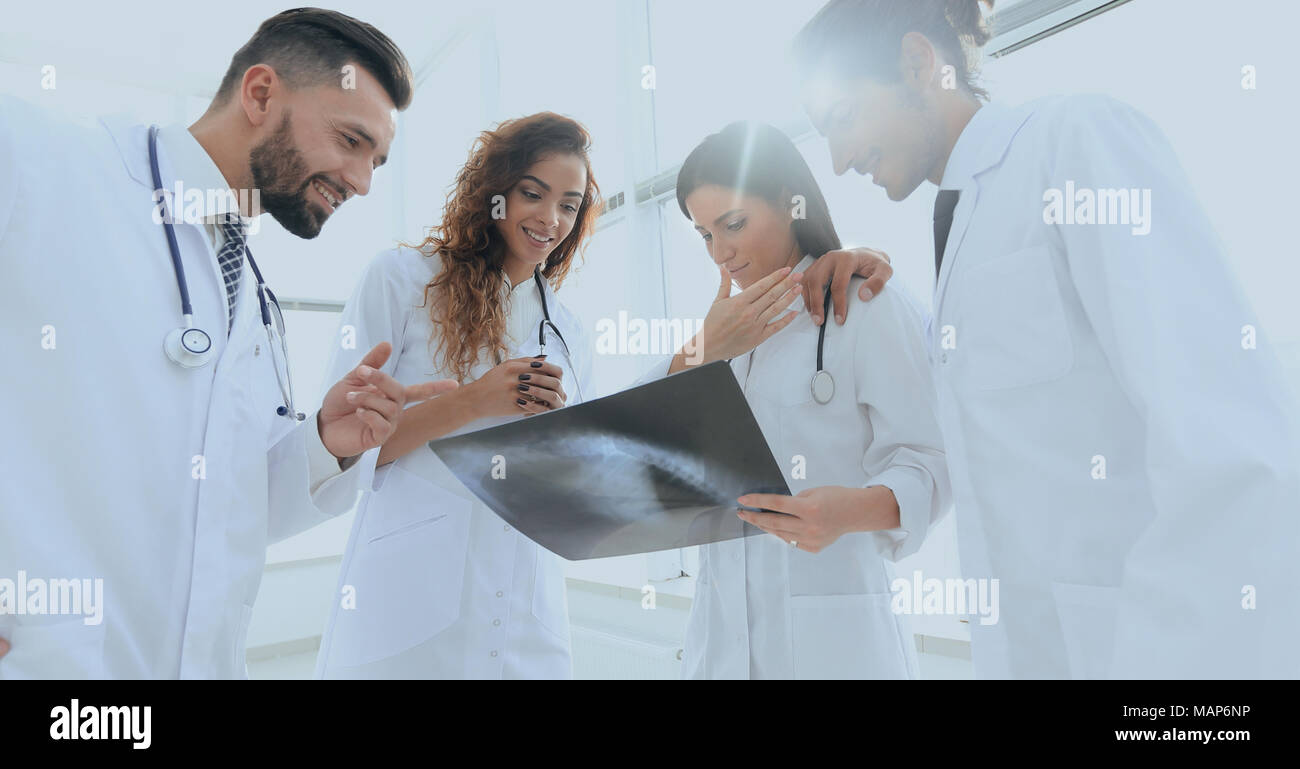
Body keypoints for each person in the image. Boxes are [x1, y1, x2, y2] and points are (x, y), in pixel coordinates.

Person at [790, 0, 1300, 678]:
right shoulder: (960, 226)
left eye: (845, 118)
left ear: (917, 64)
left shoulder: (1076, 141)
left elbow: (1231, 450)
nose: (840, 158)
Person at [0, 9, 455, 679]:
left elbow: (228, 508)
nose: (362, 180)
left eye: (377, 161)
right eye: (350, 140)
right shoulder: (46, 161)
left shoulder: (246, 289)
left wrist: (324, 441)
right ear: (261, 93)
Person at [638, 121, 950, 679]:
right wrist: (706, 348)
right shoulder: (721, 333)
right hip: (721, 650)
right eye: (704, 233)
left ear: (789, 202)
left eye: (733, 223)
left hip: (837, 647)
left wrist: (847, 512)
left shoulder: (869, 303)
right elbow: (627, 434)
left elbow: (934, 461)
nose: (720, 253)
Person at [314, 113, 601, 679]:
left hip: (526, 611)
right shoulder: (402, 280)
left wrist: (566, 449)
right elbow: (340, 454)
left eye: (568, 205)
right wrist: (472, 402)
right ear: (493, 192)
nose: (549, 218)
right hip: (408, 605)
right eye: (532, 193)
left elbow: (579, 490)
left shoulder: (570, 331)